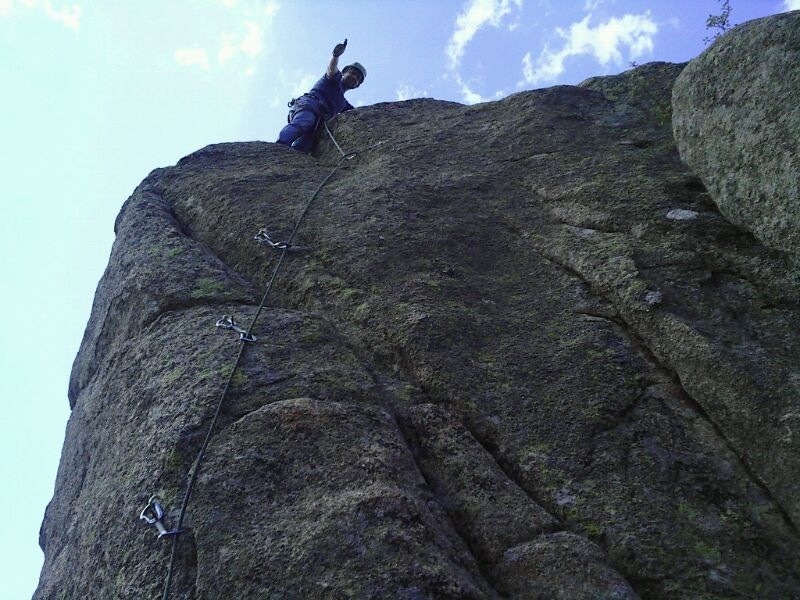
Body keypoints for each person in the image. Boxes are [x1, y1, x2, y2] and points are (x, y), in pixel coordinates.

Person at [277, 39, 366, 152]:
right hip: (309, 107)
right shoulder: (334, 79)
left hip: (319, 122)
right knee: (303, 123)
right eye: (352, 73)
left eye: (358, 78)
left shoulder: (343, 103)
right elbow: (331, 69)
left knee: (305, 146)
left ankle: (290, 158)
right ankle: (279, 146)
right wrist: (335, 55)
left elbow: (357, 113)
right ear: (343, 73)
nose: (354, 77)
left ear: (357, 85)